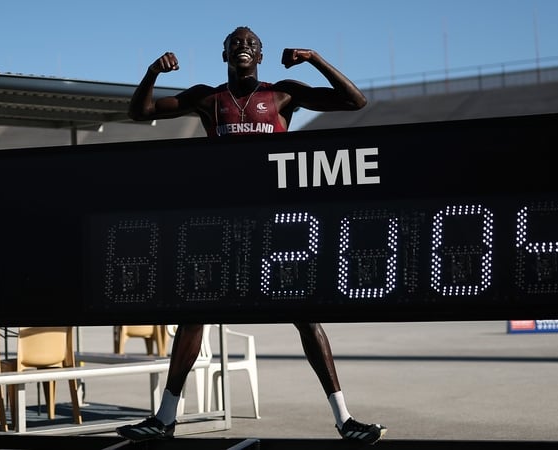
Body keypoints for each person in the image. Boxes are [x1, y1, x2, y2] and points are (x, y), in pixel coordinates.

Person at [116, 26, 386, 445]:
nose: (243, 47)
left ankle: (345, 420)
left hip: (276, 224)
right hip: (224, 225)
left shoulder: (283, 94)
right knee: (193, 316)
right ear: (224, 54)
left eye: (251, 44)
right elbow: (141, 111)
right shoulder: (208, 98)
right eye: (236, 43)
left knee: (306, 317)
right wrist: (152, 71)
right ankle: (164, 419)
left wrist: (314, 58)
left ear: (260, 55)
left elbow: (355, 101)